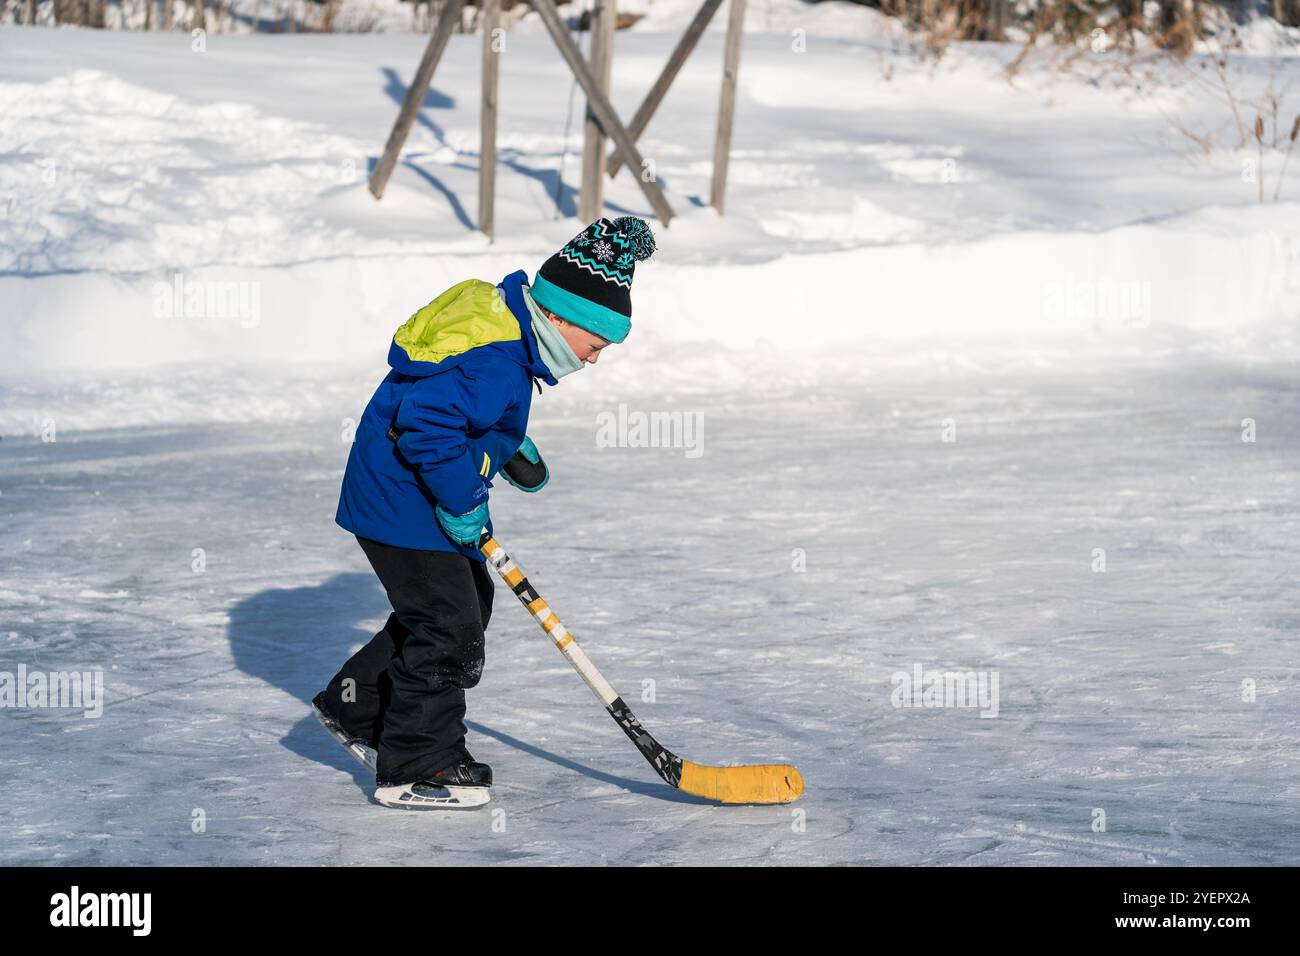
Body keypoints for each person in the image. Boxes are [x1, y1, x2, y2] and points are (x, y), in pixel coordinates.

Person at [313, 216, 657, 808]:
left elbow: (456, 406)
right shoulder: (497, 361)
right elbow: (426, 428)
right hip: (404, 501)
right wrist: (465, 498)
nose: (596, 360)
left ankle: (358, 706)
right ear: (560, 318)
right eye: (597, 345)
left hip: (407, 493)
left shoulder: (507, 331)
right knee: (448, 627)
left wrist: (504, 441)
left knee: (460, 606)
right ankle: (417, 765)